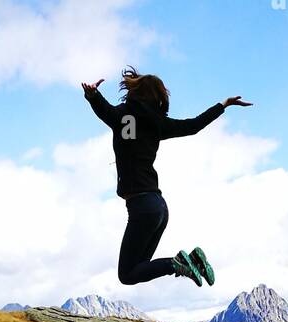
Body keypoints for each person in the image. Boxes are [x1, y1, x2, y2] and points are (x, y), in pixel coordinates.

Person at [81, 67, 252, 288]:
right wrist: (223, 105)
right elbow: (193, 126)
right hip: (159, 208)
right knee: (139, 267)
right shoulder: (158, 123)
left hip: (142, 208)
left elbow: (104, 110)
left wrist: (93, 95)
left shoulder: (124, 117)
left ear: (135, 91)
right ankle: (194, 260)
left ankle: (177, 263)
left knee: (127, 274)